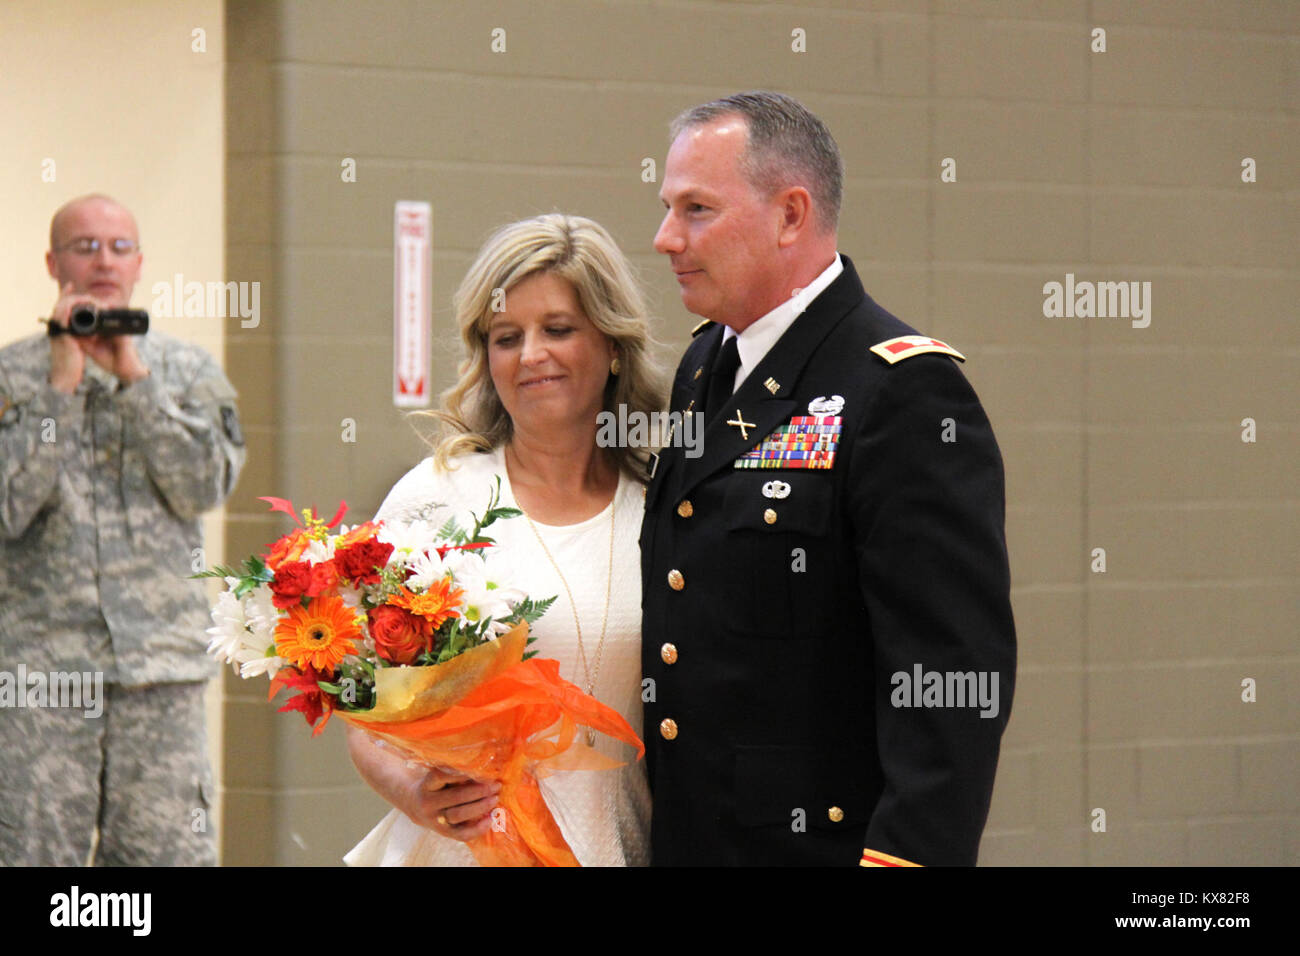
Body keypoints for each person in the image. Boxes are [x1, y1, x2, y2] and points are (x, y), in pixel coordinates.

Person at [641, 91, 1017, 866]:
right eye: (667, 208)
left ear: (790, 214)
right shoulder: (705, 364)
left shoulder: (902, 390)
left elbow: (950, 676)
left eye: (697, 209)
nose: (664, 238)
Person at [345, 214, 665, 866]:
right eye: (506, 336)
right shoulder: (435, 497)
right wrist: (417, 790)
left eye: (558, 329)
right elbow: (364, 703)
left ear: (610, 345)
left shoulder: (663, 505)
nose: (530, 355)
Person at [0, 194, 245, 866]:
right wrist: (59, 388)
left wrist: (136, 381)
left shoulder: (187, 373)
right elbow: (8, 507)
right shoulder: (11, 375)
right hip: (42, 679)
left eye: (118, 247)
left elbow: (203, 487)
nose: (103, 260)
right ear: (53, 262)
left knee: (161, 864)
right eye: (84, 246)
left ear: (139, 263)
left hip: (159, 673)